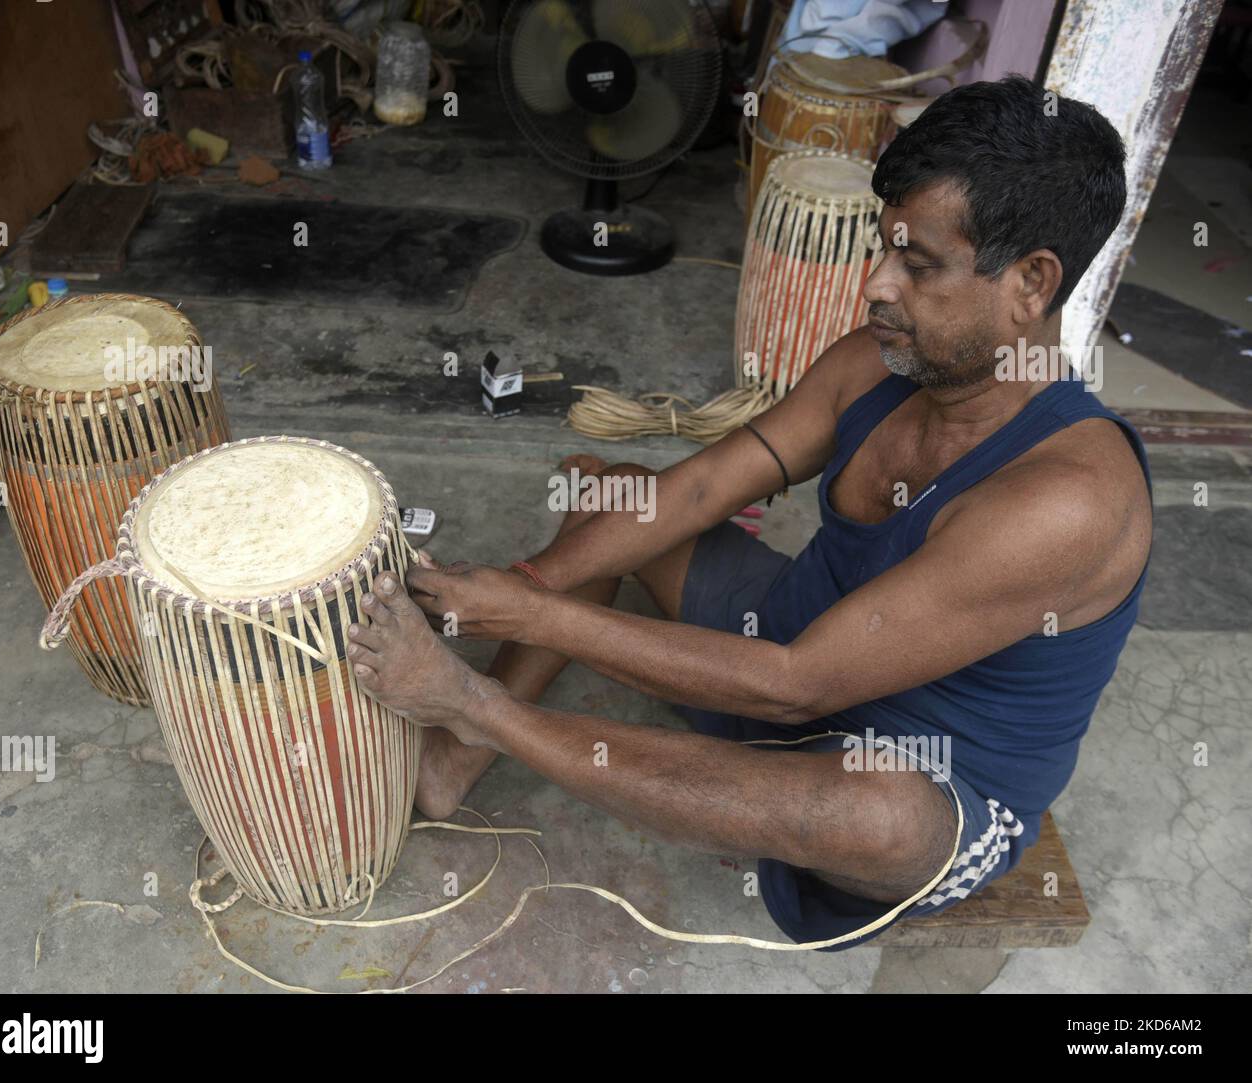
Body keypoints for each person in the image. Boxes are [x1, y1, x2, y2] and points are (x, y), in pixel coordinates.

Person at [346, 76, 1152, 948]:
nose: (877, 287)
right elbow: (695, 492)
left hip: (921, 767)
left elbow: (793, 685)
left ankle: (478, 711)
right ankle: (454, 763)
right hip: (796, 634)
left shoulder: (1068, 499)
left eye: (918, 266)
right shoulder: (877, 364)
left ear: (1032, 284)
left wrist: (525, 618)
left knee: (869, 816)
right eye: (885, 250)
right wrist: (524, 581)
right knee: (617, 492)